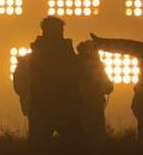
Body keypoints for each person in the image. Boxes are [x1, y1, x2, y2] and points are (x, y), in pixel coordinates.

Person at [21, 16, 81, 146]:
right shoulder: (70, 58)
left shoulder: (31, 58)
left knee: (39, 148)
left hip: (44, 107)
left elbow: (20, 83)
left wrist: (27, 102)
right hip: (63, 108)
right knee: (73, 147)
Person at [76, 40, 113, 141]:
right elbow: (108, 86)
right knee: (96, 133)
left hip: (81, 104)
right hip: (92, 103)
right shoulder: (95, 65)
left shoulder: (76, 63)